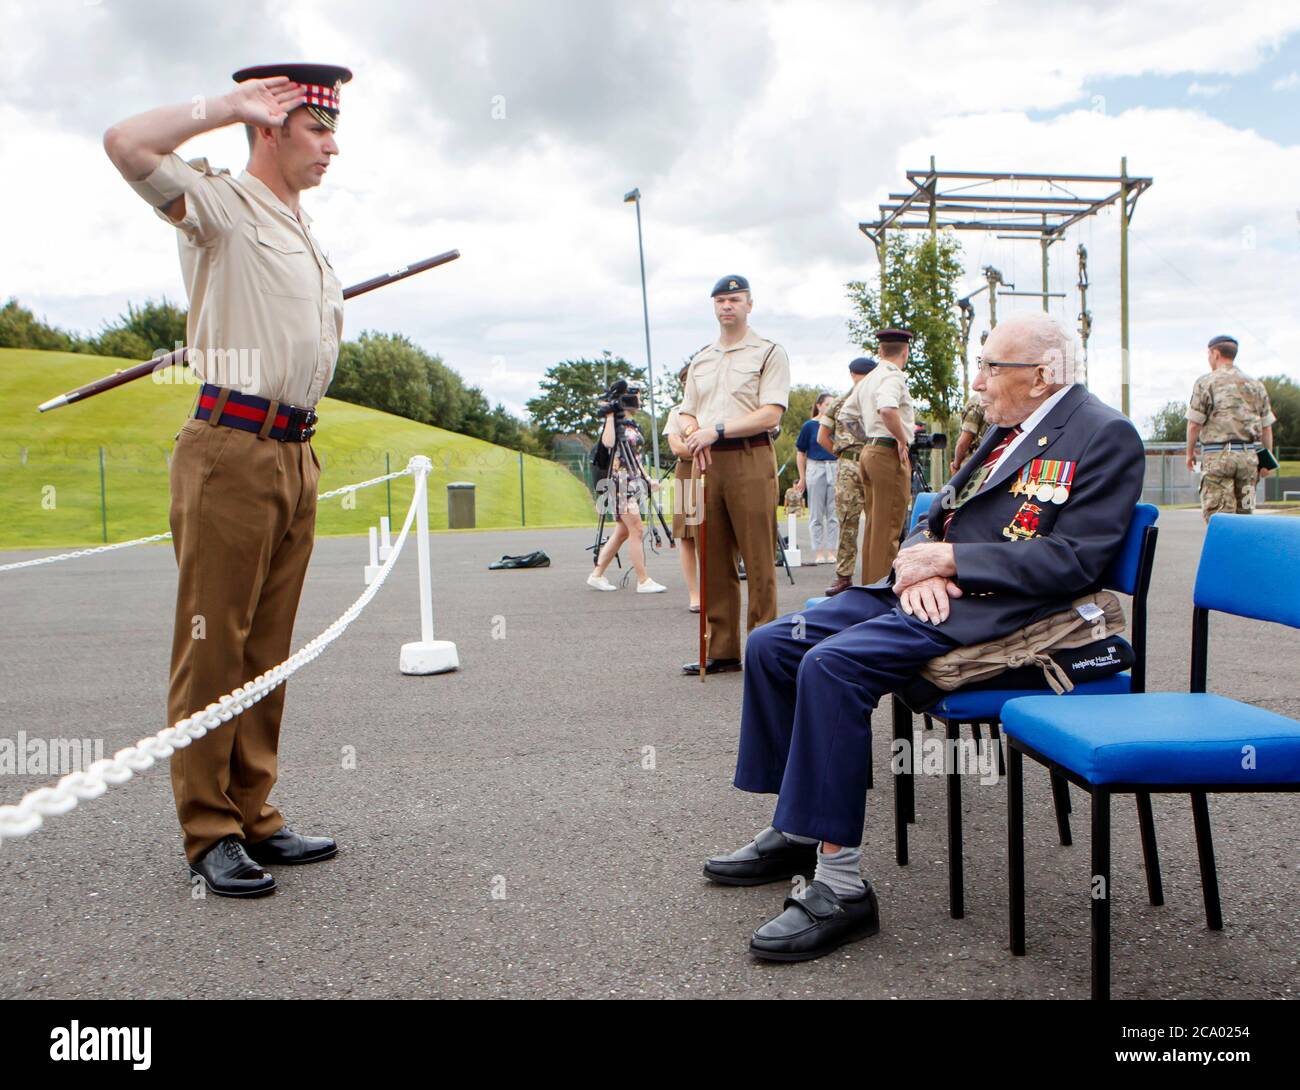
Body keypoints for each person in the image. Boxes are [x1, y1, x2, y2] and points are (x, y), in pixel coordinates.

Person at [702, 313, 1144, 963]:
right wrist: (917, 562)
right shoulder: (1005, 430)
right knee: (773, 642)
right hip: (928, 592)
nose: (979, 379)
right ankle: (797, 827)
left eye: (994, 366)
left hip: (1003, 614)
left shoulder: (1105, 434)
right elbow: (936, 516)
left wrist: (953, 566)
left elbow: (1076, 561)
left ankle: (843, 888)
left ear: (1043, 374)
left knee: (831, 666)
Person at [103, 63, 352, 897]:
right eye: (318, 128)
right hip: (231, 447)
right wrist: (223, 108)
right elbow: (126, 143)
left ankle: (255, 813)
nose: (332, 145)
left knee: (266, 650)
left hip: (293, 449)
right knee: (214, 646)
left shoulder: (302, 226)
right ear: (271, 127)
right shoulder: (220, 204)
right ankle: (207, 831)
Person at [678, 275, 790, 675]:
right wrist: (694, 433)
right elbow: (687, 410)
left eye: (735, 299)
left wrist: (718, 430)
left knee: (758, 557)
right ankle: (721, 648)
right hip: (707, 462)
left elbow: (771, 412)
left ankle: (765, 648)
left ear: (749, 305)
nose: (727, 306)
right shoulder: (702, 359)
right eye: (721, 300)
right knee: (713, 556)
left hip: (749, 455)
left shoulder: (768, 352)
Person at [848, 329, 915, 585]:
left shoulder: (868, 379)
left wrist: (868, 437)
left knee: (874, 528)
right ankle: (881, 595)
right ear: (905, 351)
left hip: (869, 451)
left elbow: (846, 416)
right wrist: (899, 438)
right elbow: (887, 408)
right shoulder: (893, 377)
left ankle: (869, 588)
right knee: (888, 530)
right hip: (887, 452)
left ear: (880, 351)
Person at [1185, 334, 1276, 521]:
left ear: (1215, 353)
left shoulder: (1206, 382)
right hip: (1248, 460)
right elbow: (1266, 427)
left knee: (1219, 518)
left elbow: (1194, 424)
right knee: (1246, 517)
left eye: (1209, 355)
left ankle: (1223, 550)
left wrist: (1190, 453)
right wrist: (1266, 460)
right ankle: (1244, 550)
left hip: (1218, 458)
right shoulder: (1255, 385)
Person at [588, 385, 667, 593]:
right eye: (636, 397)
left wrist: (647, 479)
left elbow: (635, 457)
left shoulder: (632, 424)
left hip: (630, 481)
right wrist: (610, 416)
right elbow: (608, 443)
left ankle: (596, 575)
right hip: (618, 483)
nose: (639, 400)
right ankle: (643, 581)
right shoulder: (615, 422)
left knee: (623, 532)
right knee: (637, 530)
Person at [819, 356, 876, 595]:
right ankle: (876, 574)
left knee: (849, 522)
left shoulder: (839, 402)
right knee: (873, 521)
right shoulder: (876, 400)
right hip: (871, 461)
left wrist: (842, 455)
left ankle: (845, 576)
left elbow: (822, 437)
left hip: (850, 463)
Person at [664, 364, 701, 611]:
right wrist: (704, 446)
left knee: (714, 535)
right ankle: (694, 594)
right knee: (687, 536)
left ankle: (715, 589)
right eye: (687, 380)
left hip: (714, 471)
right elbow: (676, 448)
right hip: (686, 472)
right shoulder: (676, 413)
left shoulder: (714, 410)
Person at [793, 394, 839, 564]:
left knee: (834, 514)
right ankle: (819, 551)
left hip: (834, 466)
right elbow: (800, 452)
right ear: (819, 406)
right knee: (816, 514)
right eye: (827, 404)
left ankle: (832, 550)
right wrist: (802, 477)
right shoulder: (809, 426)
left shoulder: (837, 425)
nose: (830, 407)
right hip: (815, 467)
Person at [950, 394, 989, 473]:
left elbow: (964, 442)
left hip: (977, 464)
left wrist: (955, 465)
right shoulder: (1000, 399)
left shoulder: (976, 404)